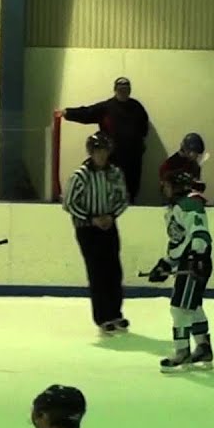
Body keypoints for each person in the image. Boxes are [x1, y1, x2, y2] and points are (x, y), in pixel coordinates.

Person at [148, 171, 214, 372]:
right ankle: (203, 348)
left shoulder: (190, 204)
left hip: (194, 261)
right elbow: (179, 242)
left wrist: (197, 257)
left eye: (168, 185)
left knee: (179, 308)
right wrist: (165, 265)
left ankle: (182, 352)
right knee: (192, 307)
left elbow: (200, 232)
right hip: (190, 260)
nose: (164, 189)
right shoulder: (175, 208)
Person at [64, 132, 130, 334]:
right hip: (87, 229)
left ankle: (115, 313)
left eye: (104, 151)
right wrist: (91, 218)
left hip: (109, 226)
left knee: (114, 270)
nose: (102, 155)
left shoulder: (115, 173)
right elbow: (69, 203)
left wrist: (111, 216)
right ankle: (102, 317)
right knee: (97, 272)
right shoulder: (80, 175)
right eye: (98, 151)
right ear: (91, 152)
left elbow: (123, 198)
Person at [63, 77, 150, 203]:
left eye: (126, 89)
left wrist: (138, 145)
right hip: (112, 156)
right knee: (110, 187)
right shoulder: (107, 107)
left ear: (129, 90)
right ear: (115, 90)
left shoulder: (137, 107)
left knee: (131, 189)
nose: (123, 91)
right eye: (120, 89)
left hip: (133, 157)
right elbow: (87, 113)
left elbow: (144, 129)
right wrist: (67, 113)